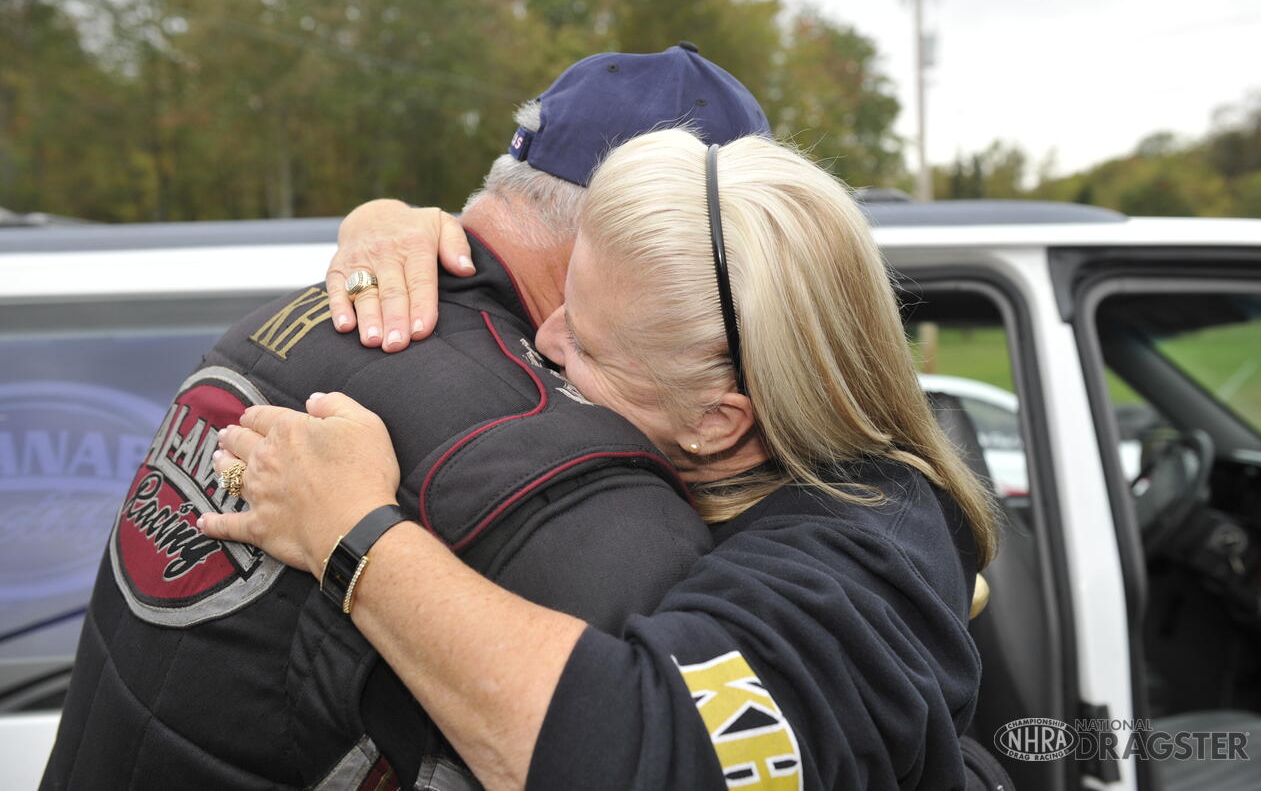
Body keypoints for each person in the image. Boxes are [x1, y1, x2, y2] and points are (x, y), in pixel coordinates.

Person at [40, 45, 771, 790]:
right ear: (646, 237)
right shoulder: (584, 485)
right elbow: (675, 754)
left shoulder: (302, 313)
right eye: (745, 254)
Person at [203, 128, 1001, 790]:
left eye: (583, 343)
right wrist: (400, 225)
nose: (540, 339)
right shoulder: (730, 460)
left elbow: (651, 751)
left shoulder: (858, 555)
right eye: (560, 305)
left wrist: (352, 535)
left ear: (718, 421)